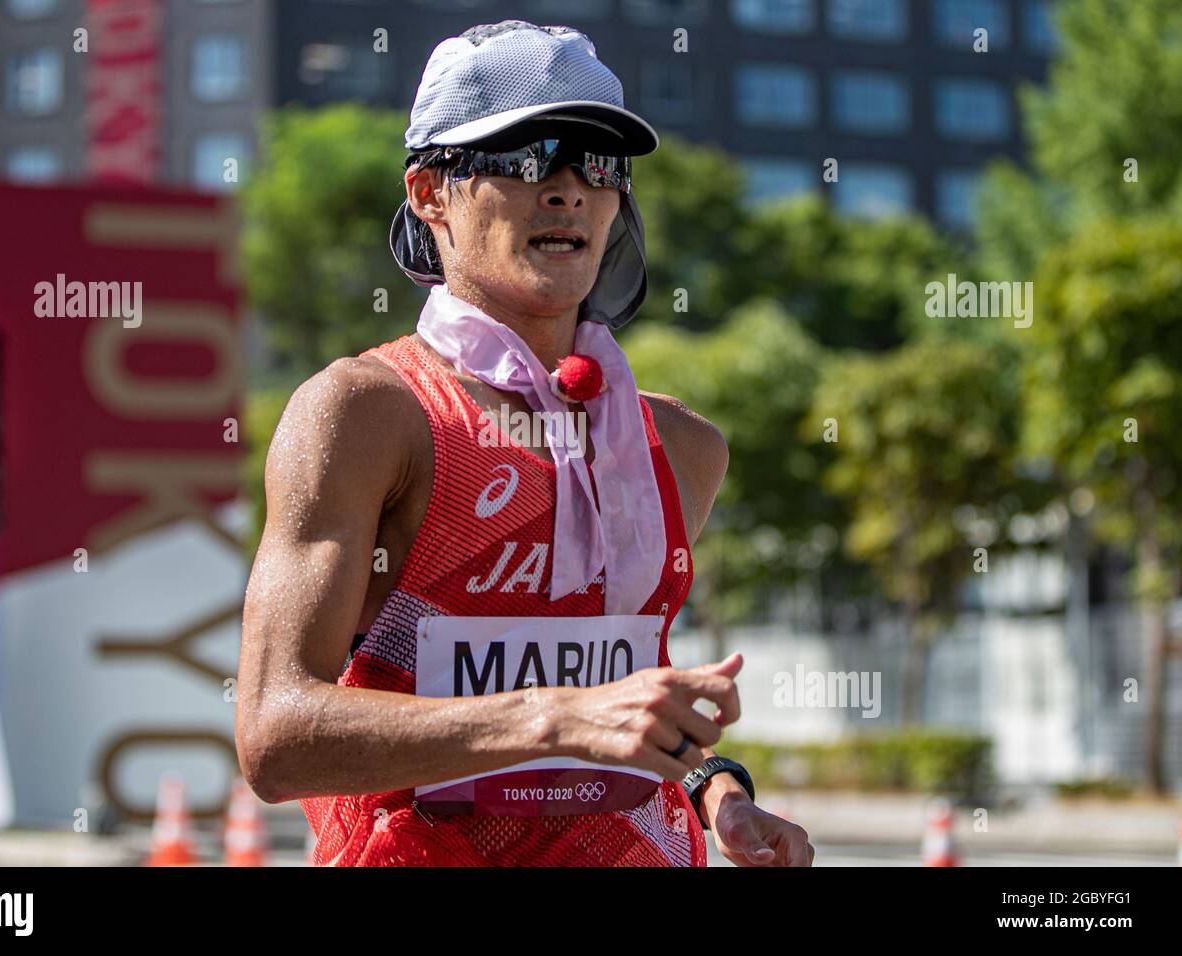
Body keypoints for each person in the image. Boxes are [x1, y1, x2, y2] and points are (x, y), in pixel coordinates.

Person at [236, 20, 812, 867]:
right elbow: (275, 734)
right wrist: (553, 716)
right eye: (527, 153)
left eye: (600, 161)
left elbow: (623, 687)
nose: (570, 188)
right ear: (431, 192)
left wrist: (716, 789)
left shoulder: (680, 446)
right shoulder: (366, 414)